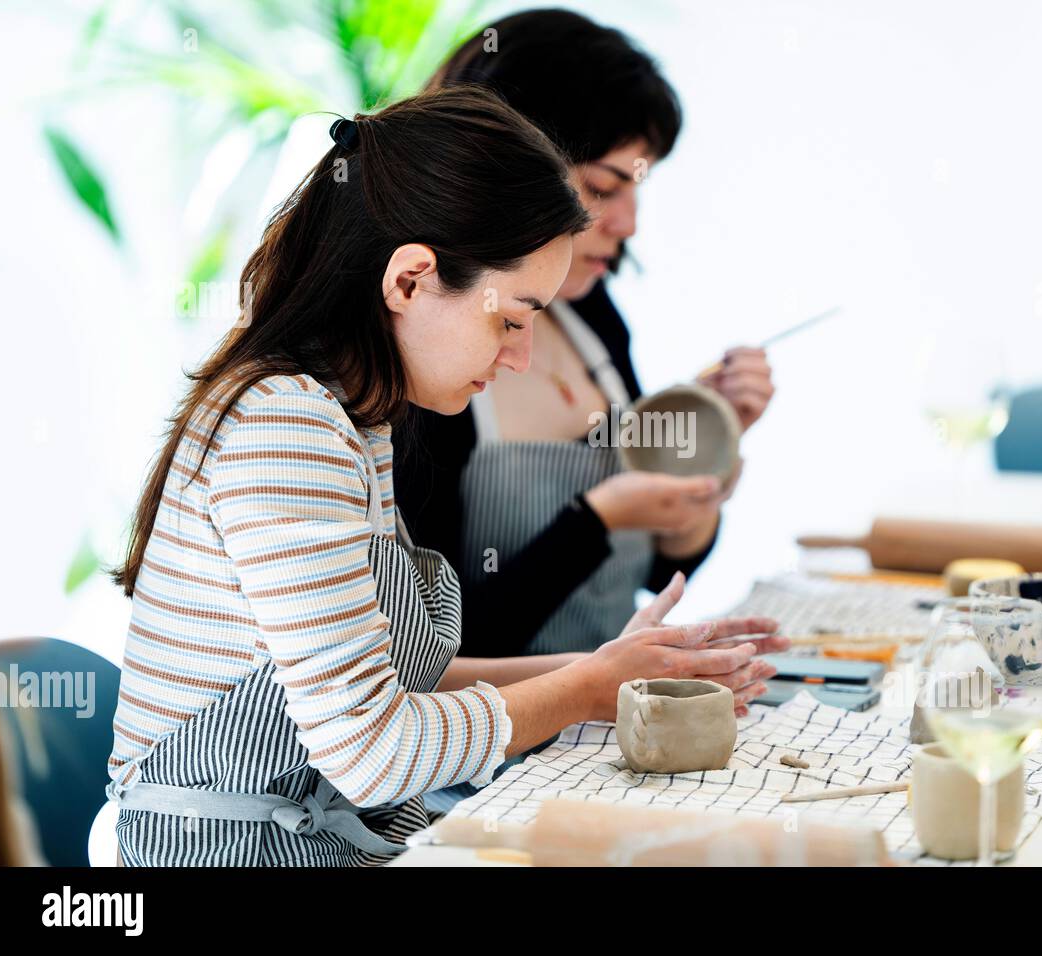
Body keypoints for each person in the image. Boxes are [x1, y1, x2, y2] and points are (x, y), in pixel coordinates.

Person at [106, 87, 783, 866]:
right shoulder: (287, 427)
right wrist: (586, 690)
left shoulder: (351, 416)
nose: (521, 356)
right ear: (409, 280)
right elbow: (373, 750)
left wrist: (610, 671)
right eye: (511, 319)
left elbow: (387, 683)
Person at [394, 10, 776, 662]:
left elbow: (654, 572)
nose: (627, 224)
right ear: (504, 168)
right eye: (602, 187)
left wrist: (704, 447)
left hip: (596, 722)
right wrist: (596, 519)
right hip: (487, 747)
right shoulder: (425, 354)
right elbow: (430, 657)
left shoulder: (592, 312)